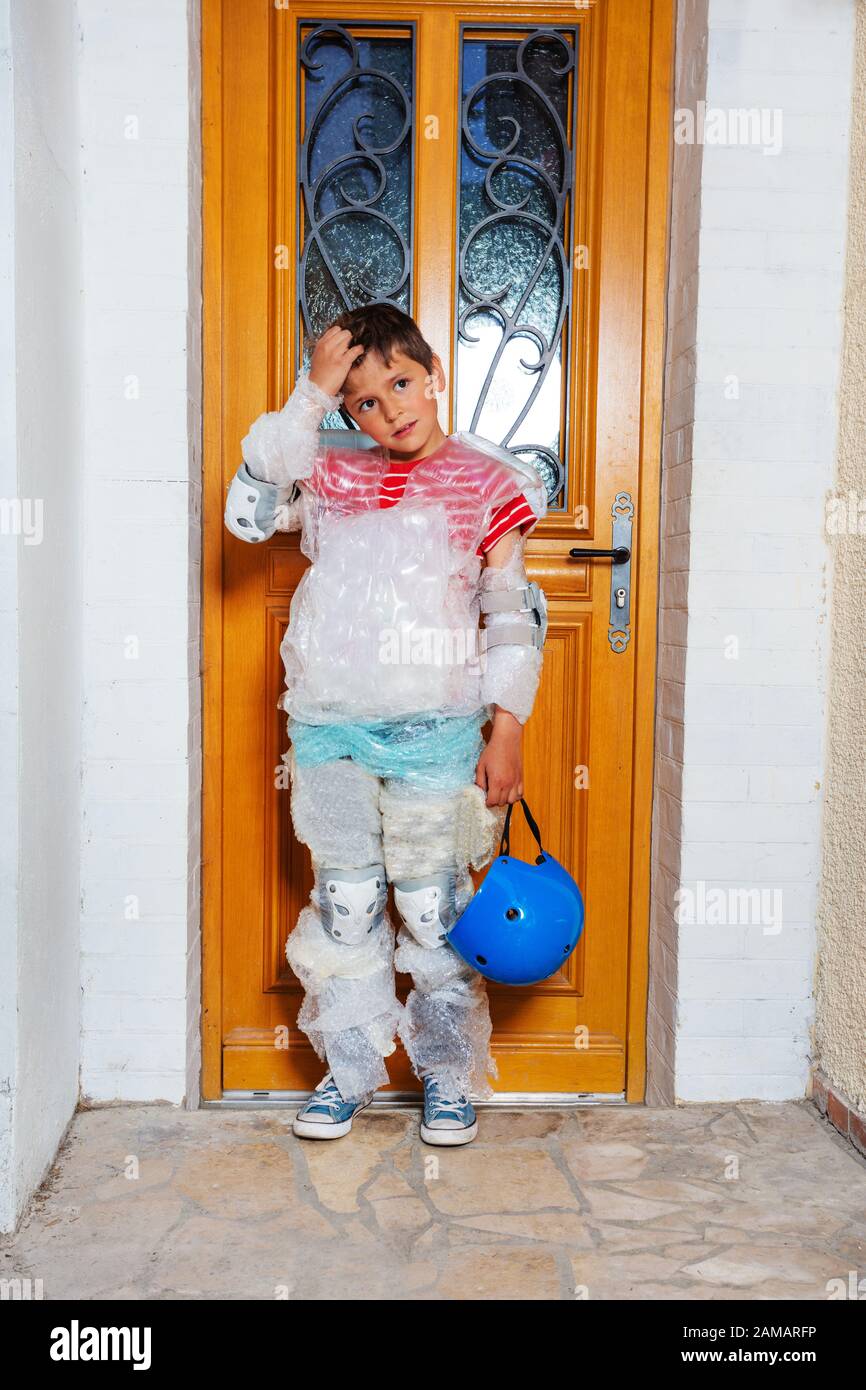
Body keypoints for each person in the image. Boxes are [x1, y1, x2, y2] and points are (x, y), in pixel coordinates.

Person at [225, 304, 548, 1145]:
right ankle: (350, 1070)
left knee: (433, 907)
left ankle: (446, 1079)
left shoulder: (486, 482)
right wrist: (310, 394)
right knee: (347, 903)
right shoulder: (328, 472)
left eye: (401, 383)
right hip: (331, 726)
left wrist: (506, 728)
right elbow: (249, 513)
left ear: (434, 373)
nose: (389, 409)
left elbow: (510, 615)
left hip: (435, 729)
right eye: (362, 401)